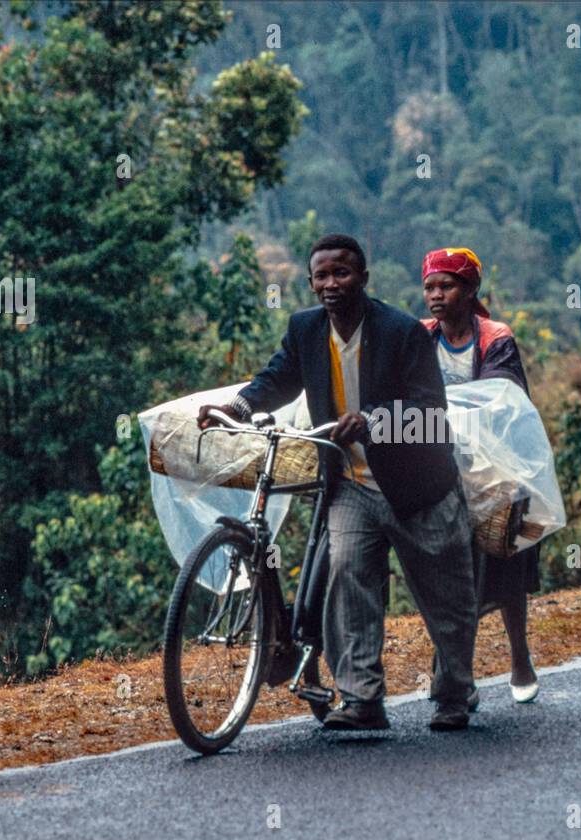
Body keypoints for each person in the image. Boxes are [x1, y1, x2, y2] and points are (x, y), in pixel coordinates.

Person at [197, 234, 478, 732]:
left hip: (419, 489)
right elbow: (275, 379)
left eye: (342, 273)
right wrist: (236, 408)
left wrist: (373, 419)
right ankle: (363, 698)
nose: (331, 284)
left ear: (363, 279)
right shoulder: (304, 330)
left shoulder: (401, 331)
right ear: (309, 282)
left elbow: (431, 409)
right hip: (350, 484)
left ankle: (455, 694)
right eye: (321, 275)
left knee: (445, 598)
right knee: (348, 580)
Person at [419, 247, 541, 704]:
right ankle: (452, 668)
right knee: (444, 569)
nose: (436, 295)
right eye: (430, 286)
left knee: (505, 565)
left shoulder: (494, 336)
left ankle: (519, 654)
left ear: (470, 291)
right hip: (438, 464)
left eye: (447, 286)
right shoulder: (421, 337)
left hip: (494, 466)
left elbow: (500, 396)